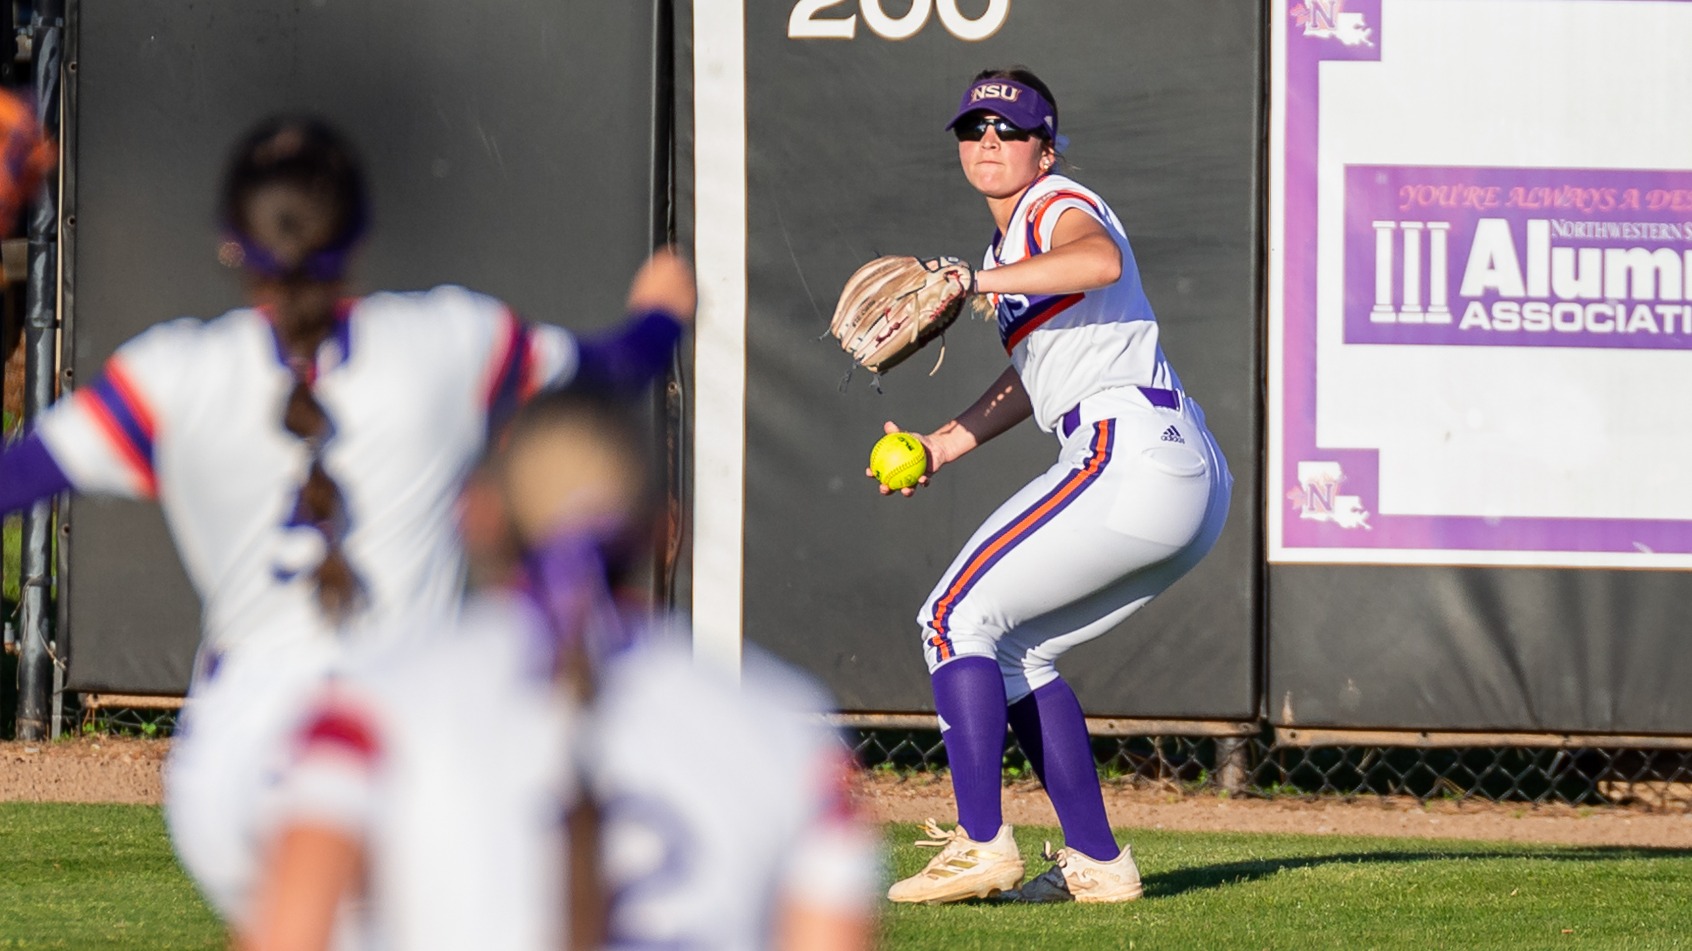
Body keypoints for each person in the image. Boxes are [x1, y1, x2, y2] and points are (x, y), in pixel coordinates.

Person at [0, 116, 695, 933]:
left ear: (232, 243)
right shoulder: (450, 341)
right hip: (415, 745)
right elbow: (612, 370)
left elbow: (16, 480)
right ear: (360, 235)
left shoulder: (172, 373)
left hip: (237, 765)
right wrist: (664, 312)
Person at [244, 390, 880, 951]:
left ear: (481, 516)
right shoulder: (789, 736)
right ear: (665, 529)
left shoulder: (369, 711)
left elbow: (290, 931)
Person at [876, 67, 1232, 905]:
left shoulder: (1053, 204)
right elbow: (1035, 377)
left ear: (1045, 147)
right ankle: (1099, 863)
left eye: (1010, 131)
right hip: (1178, 467)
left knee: (951, 615)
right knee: (1013, 648)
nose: (990, 143)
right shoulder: (1012, 254)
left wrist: (973, 282)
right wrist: (941, 445)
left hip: (1127, 445)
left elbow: (1099, 258)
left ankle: (980, 842)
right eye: (975, 130)